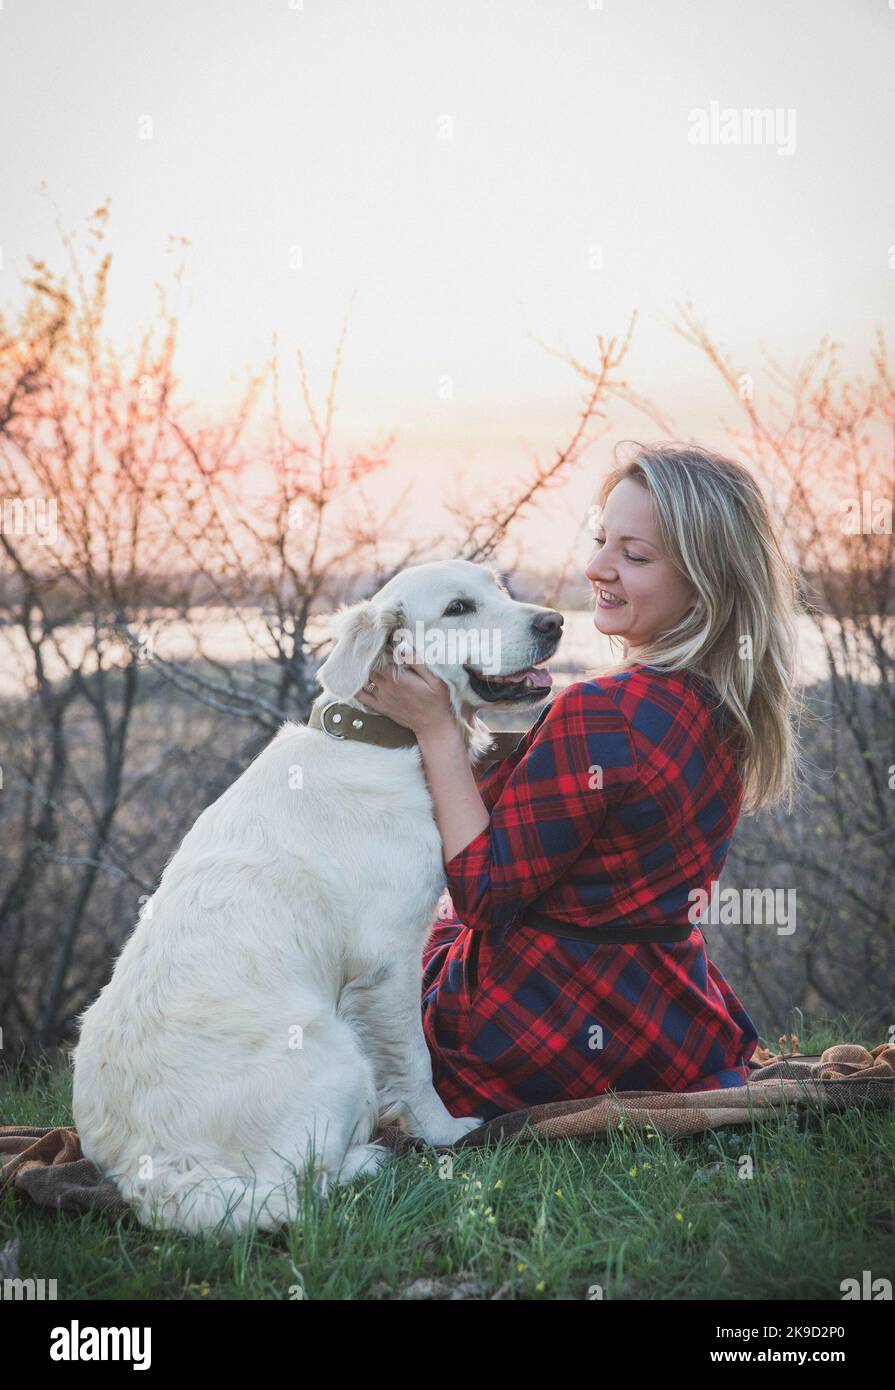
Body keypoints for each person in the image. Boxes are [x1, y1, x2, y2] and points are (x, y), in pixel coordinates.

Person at [356, 441, 802, 1121]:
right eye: (602, 541)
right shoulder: (727, 706)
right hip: (665, 1028)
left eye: (635, 555)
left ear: (705, 580)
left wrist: (438, 732)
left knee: (386, 958)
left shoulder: (600, 712)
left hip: (525, 1038)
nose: (597, 567)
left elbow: (480, 895)